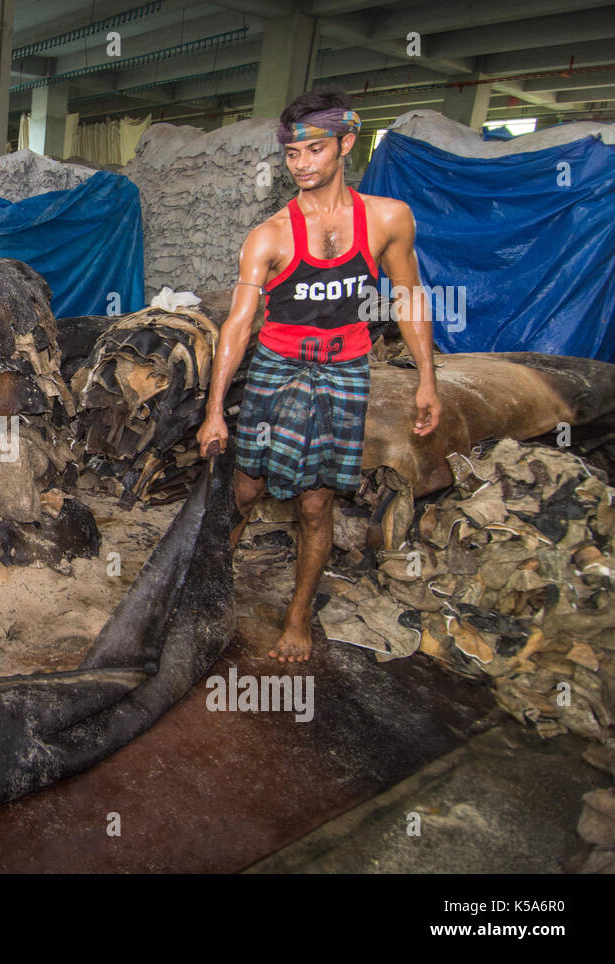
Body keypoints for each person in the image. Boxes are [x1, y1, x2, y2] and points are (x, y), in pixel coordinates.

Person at [196, 86, 441, 664]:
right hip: (278, 368)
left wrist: (427, 378)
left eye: (315, 150)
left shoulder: (387, 219)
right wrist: (213, 409)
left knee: (315, 503)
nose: (301, 165)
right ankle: (210, 597)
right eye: (291, 155)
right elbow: (238, 323)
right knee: (245, 489)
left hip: (346, 369)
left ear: (346, 144)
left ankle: (299, 615)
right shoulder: (269, 235)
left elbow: (409, 297)